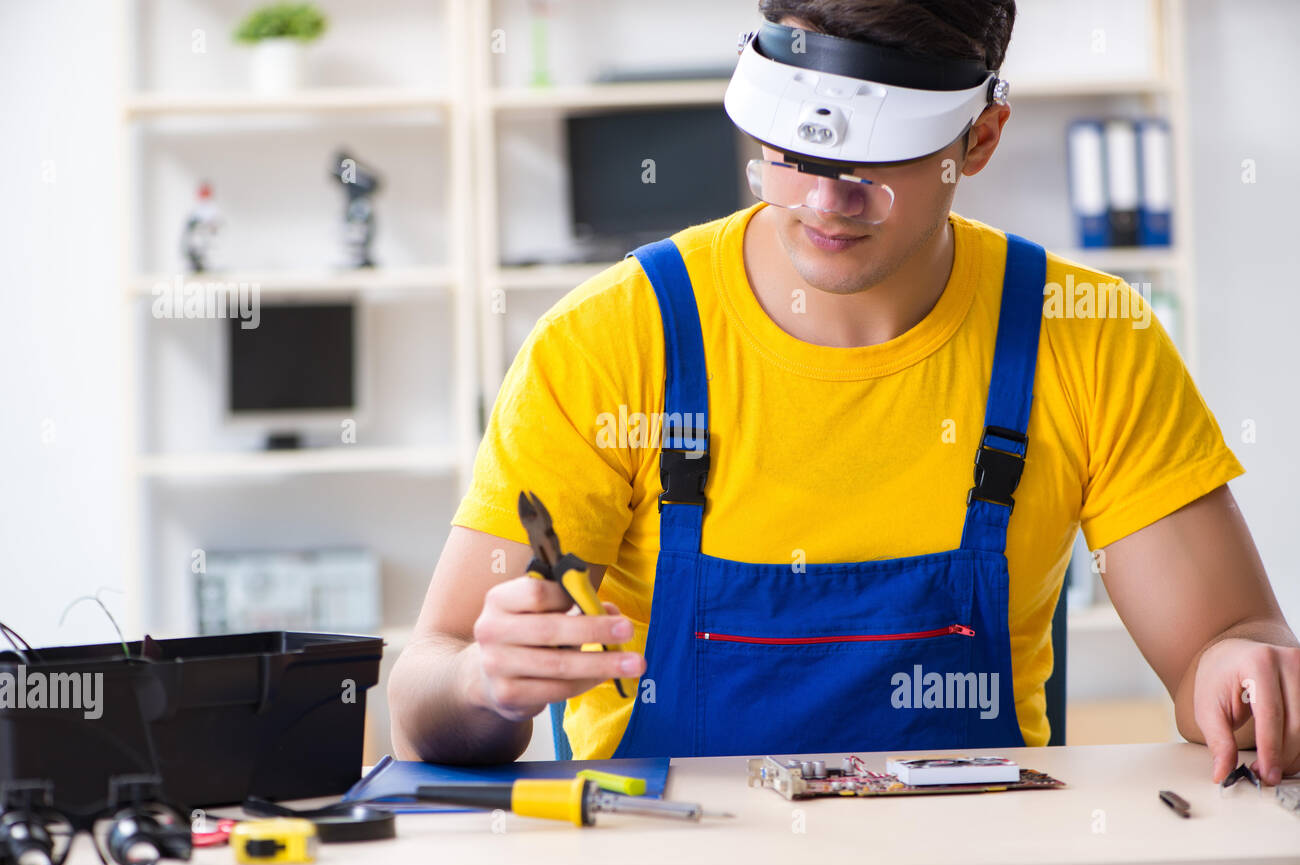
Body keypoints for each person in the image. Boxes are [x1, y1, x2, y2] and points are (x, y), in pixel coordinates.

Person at [389, 0, 1298, 784]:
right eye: (794, 149)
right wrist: (483, 683)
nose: (826, 201)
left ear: (978, 138)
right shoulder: (610, 342)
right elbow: (423, 693)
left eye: (876, 162)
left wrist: (1242, 672)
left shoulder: (1087, 331)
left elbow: (1227, 643)